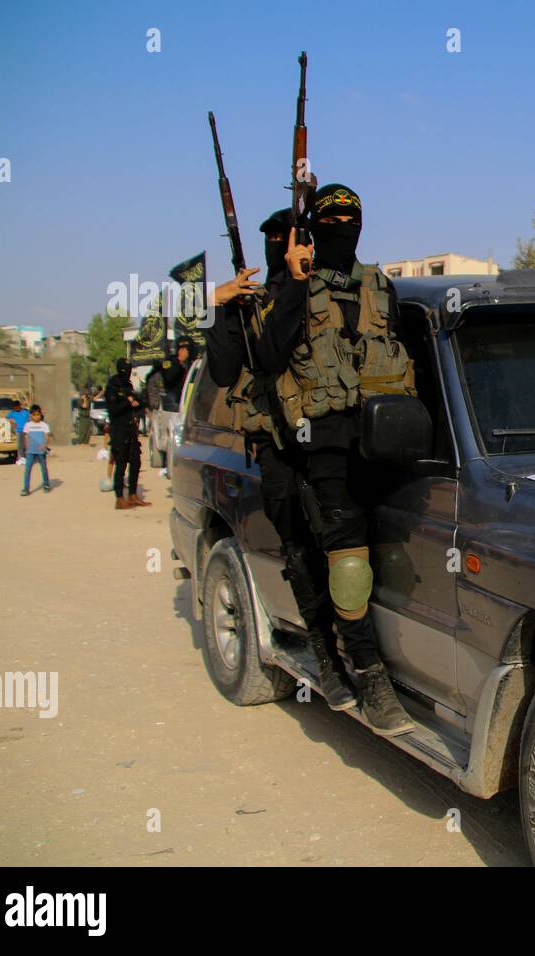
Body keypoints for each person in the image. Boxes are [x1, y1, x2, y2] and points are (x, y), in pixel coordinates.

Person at [257, 183, 414, 736]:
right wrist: (295, 283)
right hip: (324, 444)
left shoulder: (381, 287)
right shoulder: (290, 286)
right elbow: (268, 356)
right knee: (348, 566)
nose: (344, 230)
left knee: (394, 562)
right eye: (332, 222)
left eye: (352, 221)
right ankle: (370, 676)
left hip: (388, 445)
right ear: (314, 230)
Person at [205, 208, 356, 714]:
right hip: (277, 448)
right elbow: (228, 369)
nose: (280, 244)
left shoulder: (326, 291)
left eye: (287, 235)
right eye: (272, 237)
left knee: (343, 549)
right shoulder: (252, 302)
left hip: (329, 442)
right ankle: (325, 657)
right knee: (300, 553)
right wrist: (219, 305)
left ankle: (361, 657)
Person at [104, 357, 150, 510]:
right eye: (126, 370)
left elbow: (136, 402)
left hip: (131, 430)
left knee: (136, 462)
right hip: (119, 430)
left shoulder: (128, 385)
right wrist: (128, 402)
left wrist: (138, 403)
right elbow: (113, 410)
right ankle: (119, 498)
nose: (128, 373)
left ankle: (132, 495)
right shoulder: (112, 386)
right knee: (121, 464)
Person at [20, 405, 51, 496]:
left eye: (38, 415)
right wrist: (26, 448)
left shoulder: (44, 425)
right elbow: (26, 437)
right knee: (27, 469)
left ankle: (46, 484)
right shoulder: (27, 425)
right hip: (30, 451)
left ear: (41, 415)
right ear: (31, 415)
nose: (36, 417)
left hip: (41, 450)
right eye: (34, 415)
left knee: (43, 468)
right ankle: (26, 488)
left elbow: (46, 436)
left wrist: (45, 446)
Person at [6, 399, 30, 464]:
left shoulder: (25, 412)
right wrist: (11, 421)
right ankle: (21, 458)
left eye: (17, 407)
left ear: (20, 406)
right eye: (14, 407)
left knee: (26, 445)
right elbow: (7, 418)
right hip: (18, 431)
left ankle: (26, 457)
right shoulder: (12, 413)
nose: (16, 408)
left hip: (26, 431)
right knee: (20, 445)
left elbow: (30, 417)